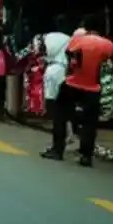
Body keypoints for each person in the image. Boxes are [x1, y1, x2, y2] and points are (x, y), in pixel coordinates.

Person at [42, 14, 113, 167]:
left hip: (72, 84)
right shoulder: (108, 45)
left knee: (60, 116)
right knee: (90, 123)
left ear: (86, 26)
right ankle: (86, 156)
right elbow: (111, 65)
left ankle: (58, 150)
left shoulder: (77, 40)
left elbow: (71, 61)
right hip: (93, 88)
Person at [41, 15, 78, 144]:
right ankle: (69, 131)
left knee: (53, 104)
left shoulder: (47, 37)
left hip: (51, 69)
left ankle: (59, 134)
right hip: (64, 71)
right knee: (65, 105)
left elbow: (42, 53)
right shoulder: (71, 39)